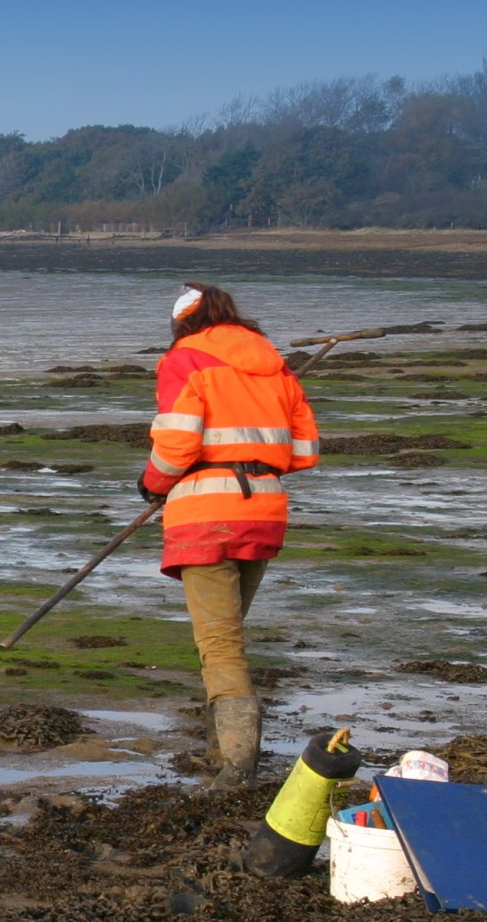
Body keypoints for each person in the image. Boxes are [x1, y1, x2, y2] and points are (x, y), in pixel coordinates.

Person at [136, 282, 317, 790]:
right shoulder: (273, 366)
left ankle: (237, 768)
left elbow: (175, 442)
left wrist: (151, 483)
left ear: (182, 324)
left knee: (220, 643)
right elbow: (304, 452)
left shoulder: (184, 360)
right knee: (227, 634)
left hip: (206, 511)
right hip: (265, 505)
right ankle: (221, 749)